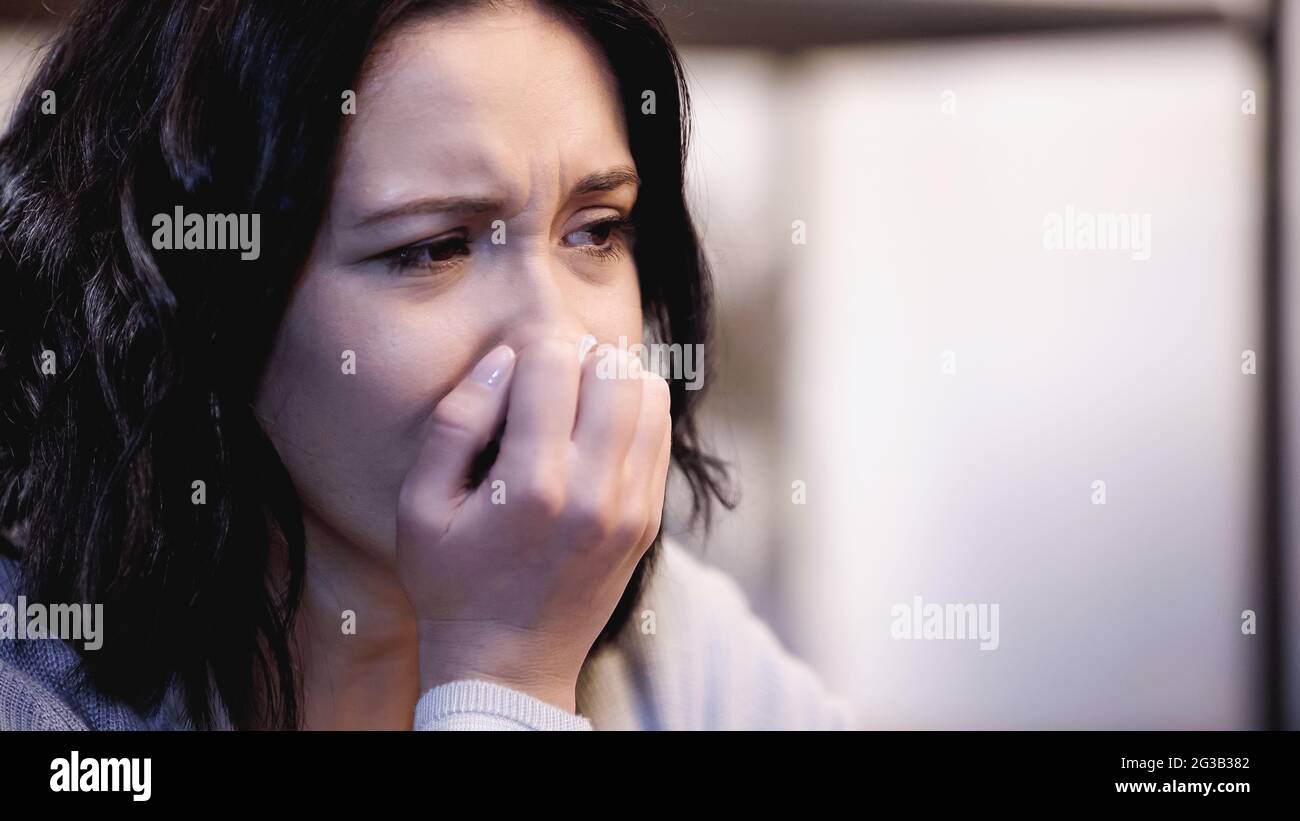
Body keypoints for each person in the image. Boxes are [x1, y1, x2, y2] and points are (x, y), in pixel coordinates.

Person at [0, 0, 853, 731]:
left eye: (595, 229)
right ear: (189, 297)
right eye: (434, 248)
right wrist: (506, 675)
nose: (557, 340)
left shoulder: (670, 648)